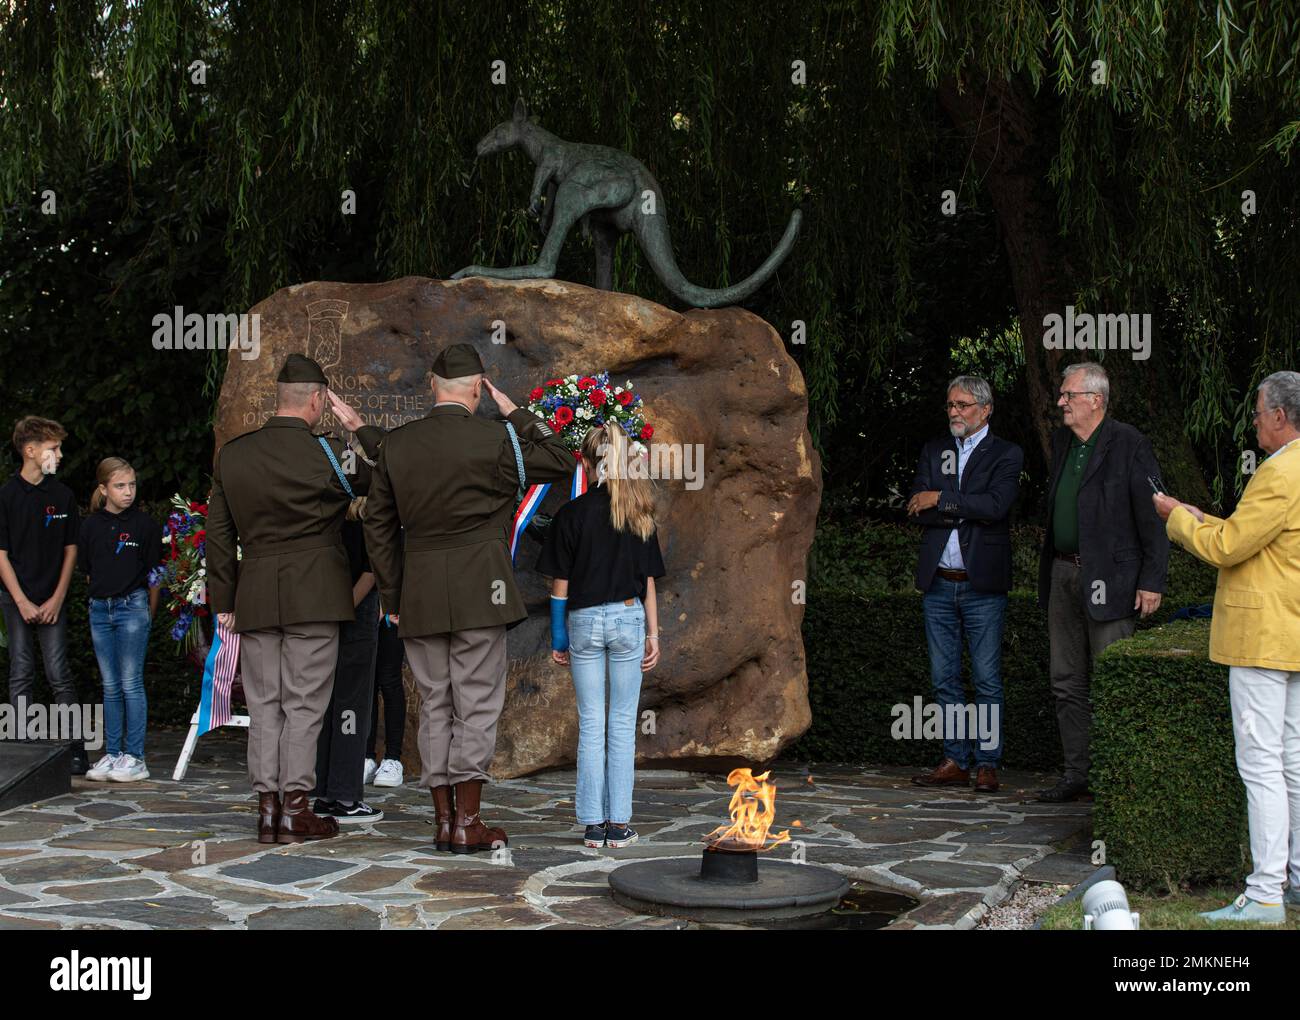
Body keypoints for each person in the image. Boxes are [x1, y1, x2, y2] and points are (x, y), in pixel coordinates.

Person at [364, 343, 574, 854]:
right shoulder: (496, 438)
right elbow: (564, 458)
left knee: (435, 704)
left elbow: (378, 525)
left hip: (420, 594)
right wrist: (517, 413)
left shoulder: (396, 445)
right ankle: (468, 822)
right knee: (476, 706)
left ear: (432, 387)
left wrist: (392, 595)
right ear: (478, 389)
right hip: (483, 590)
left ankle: (441, 821)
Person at [206, 354, 384, 845]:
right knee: (305, 705)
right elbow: (388, 475)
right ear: (316, 400)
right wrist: (359, 429)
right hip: (316, 596)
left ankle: (267, 809)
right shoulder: (330, 454)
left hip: (257, 594)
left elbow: (218, 537)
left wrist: (223, 598)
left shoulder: (234, 455)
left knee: (265, 706)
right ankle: (297, 808)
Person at [1155, 370, 1300, 924]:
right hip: (1289, 634)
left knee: (1262, 766)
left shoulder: (1277, 471)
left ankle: (1265, 893)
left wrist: (1176, 522)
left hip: (1262, 638)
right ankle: (1287, 884)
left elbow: (1230, 548)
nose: (1255, 421)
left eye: (1260, 412)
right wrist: (1202, 519)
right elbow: (1258, 539)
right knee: (1287, 764)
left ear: (1280, 416)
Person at [1036, 361, 1169, 802]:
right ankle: (1078, 774)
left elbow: (1154, 513)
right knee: (1065, 680)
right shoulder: (1063, 443)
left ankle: (1117, 781)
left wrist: (1152, 579)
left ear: (1095, 400)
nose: (1060, 403)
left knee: (1112, 679)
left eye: (1068, 396)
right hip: (1062, 573)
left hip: (1111, 578)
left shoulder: (1128, 442)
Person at [537, 423, 665, 848]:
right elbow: (647, 581)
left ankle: (593, 824)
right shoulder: (640, 513)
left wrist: (559, 639)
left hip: (585, 622)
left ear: (586, 464)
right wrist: (654, 633)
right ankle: (619, 825)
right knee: (623, 723)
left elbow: (560, 586)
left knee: (592, 722)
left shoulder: (571, 514)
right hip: (630, 619)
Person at [907, 376, 1023, 794]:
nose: (955, 412)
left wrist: (942, 498)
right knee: (944, 678)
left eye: (964, 405)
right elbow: (915, 506)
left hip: (982, 584)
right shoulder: (935, 449)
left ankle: (988, 763)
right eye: (951, 405)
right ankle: (956, 759)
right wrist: (952, 503)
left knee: (987, 679)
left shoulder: (1006, 454)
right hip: (938, 582)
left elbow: (995, 506)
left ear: (986, 409)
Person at [0, 416, 85, 773]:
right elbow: (0, 554)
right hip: (15, 597)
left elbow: (71, 550)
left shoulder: (62, 494)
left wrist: (57, 598)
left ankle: (75, 749)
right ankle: (20, 748)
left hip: (53, 599)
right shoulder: (6, 495)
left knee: (59, 672)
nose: (60, 455)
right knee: (20, 671)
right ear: (30, 451)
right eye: (53, 448)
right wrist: (21, 601)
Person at [78, 457, 162, 782]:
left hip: (132, 608)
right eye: (119, 486)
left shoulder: (144, 525)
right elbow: (88, 572)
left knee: (130, 682)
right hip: (100, 609)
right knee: (110, 685)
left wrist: (146, 613)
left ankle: (135, 756)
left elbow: (155, 575)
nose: (128, 492)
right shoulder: (89, 526)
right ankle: (112, 754)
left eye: (132, 485)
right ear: (103, 489)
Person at [312, 497, 384, 822]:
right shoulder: (371, 517)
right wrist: (346, 608)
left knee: (324, 704)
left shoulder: (322, 510)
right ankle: (345, 796)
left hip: (321, 610)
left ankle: (322, 792)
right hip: (354, 612)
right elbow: (372, 570)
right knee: (352, 706)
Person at [365, 604, 407, 788]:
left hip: (391, 608)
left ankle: (393, 759)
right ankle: (366, 757)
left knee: (390, 679)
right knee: (366, 681)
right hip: (363, 607)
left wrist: (386, 604)